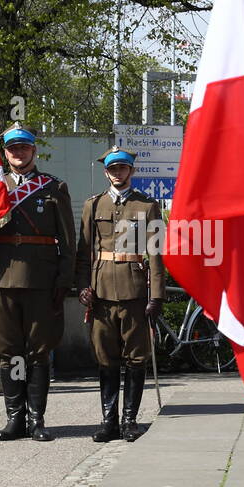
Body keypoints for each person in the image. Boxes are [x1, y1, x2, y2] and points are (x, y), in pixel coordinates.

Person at [0, 126, 75, 442]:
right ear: (4, 153)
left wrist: (64, 279)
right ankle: (15, 418)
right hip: (1, 279)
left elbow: (68, 240)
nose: (18, 154)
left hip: (41, 279)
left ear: (34, 151)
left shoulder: (53, 187)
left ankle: (37, 419)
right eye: (12, 149)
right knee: (11, 353)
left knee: (37, 351)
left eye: (24, 148)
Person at [75, 147, 165, 442]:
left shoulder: (147, 206)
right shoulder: (93, 205)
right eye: (113, 169)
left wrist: (157, 296)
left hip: (135, 291)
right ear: (106, 172)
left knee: (136, 358)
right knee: (106, 358)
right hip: (101, 292)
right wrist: (82, 286)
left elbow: (156, 255)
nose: (118, 173)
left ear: (131, 171)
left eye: (123, 168)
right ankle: (109, 421)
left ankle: (129, 421)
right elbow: (84, 252)